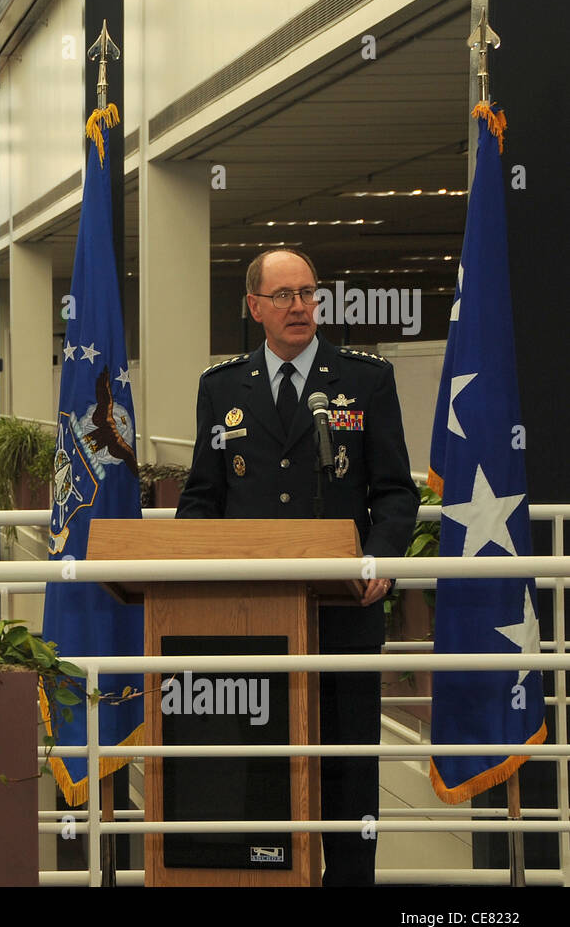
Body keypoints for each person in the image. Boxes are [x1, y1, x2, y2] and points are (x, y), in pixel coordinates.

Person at [176, 247, 419, 886]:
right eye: (283, 296)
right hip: (250, 617)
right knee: (261, 767)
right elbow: (203, 497)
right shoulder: (222, 387)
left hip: (345, 614)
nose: (299, 307)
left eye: (308, 293)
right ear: (254, 306)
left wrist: (384, 558)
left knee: (347, 771)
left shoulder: (364, 380)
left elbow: (394, 490)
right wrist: (191, 570)